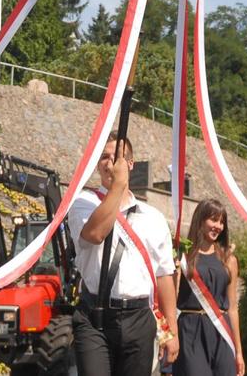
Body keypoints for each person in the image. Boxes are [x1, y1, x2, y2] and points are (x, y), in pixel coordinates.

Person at [68, 132, 179, 376]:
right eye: (105, 157)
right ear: (98, 164)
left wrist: (171, 329)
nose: (110, 163)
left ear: (130, 164)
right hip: (95, 316)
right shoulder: (82, 203)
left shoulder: (153, 217)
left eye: (117, 157)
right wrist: (117, 187)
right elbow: (95, 233)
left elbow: (164, 275)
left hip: (139, 318)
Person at [174, 199, 244, 376]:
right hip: (190, 331)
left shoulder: (229, 259)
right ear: (200, 220)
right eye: (213, 220)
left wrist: (239, 352)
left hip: (221, 331)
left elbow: (233, 308)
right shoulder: (182, 257)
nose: (218, 226)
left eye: (222, 222)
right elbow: (171, 299)